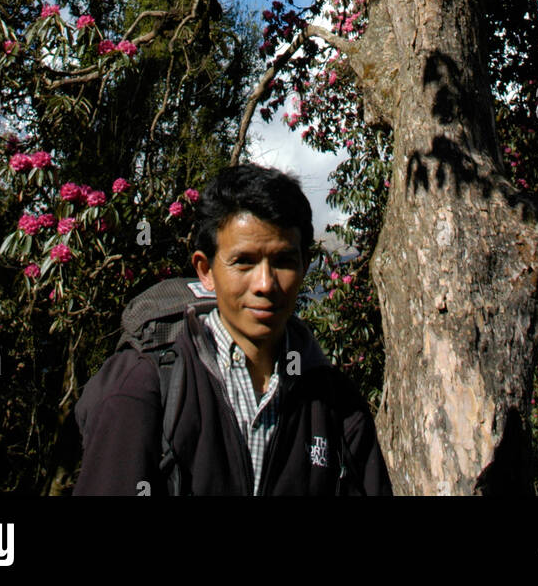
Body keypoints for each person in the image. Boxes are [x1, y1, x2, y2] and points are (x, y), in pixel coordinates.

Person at [72, 163, 393, 495]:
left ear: (304, 267)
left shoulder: (336, 405)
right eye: (244, 262)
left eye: (283, 261)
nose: (265, 284)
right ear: (205, 270)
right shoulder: (147, 383)